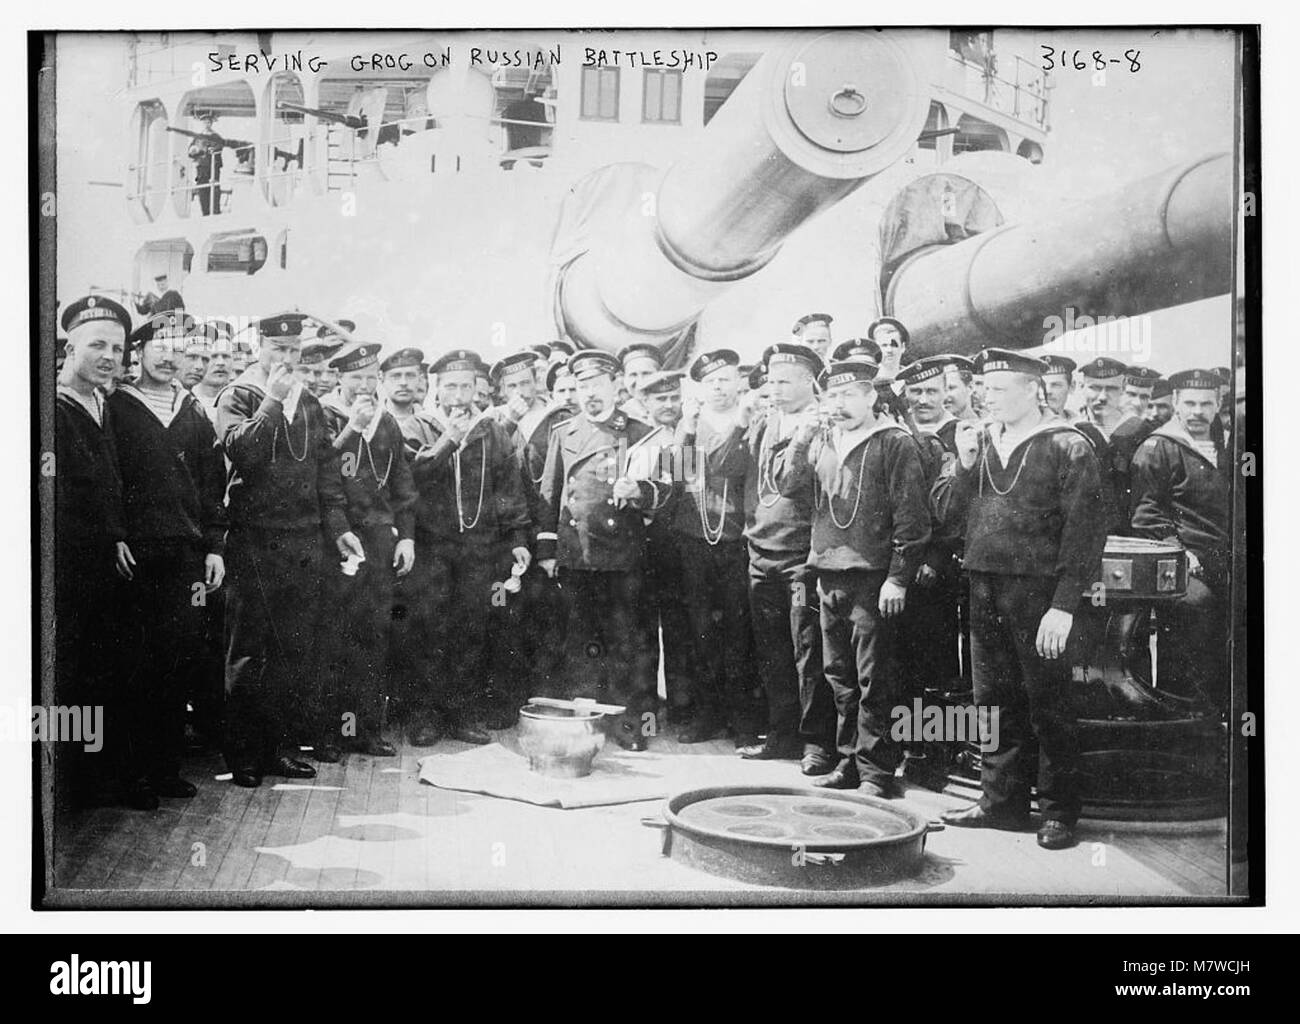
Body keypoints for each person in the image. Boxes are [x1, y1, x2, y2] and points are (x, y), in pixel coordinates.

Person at [935, 349, 1106, 850]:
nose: (988, 398)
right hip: (984, 585)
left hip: (1040, 594)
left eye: (1000, 389)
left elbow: (1085, 532)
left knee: (1048, 702)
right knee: (992, 701)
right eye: (984, 389)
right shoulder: (979, 442)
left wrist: (1064, 605)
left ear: (1033, 390)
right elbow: (947, 515)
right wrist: (964, 464)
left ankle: (1058, 812)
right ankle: (1001, 803)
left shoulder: (1067, 445)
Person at [215, 313, 362, 787]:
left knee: (290, 649)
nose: (287, 358)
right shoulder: (238, 395)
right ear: (260, 348)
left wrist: (338, 528)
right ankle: (243, 755)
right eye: (278, 349)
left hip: (303, 540)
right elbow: (241, 450)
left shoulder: (311, 402)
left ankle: (275, 749)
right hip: (254, 540)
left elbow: (326, 470)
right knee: (248, 651)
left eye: (294, 350)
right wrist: (273, 401)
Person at [777, 359, 930, 796]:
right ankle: (848, 761)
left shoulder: (894, 442)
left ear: (871, 397)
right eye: (833, 396)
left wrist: (898, 578)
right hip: (828, 573)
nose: (839, 404)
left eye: (849, 395)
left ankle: (877, 772)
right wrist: (802, 437)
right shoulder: (823, 437)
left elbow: (912, 520)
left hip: (872, 578)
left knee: (874, 679)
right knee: (839, 676)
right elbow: (790, 488)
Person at [108, 312, 228, 804]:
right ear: (140, 350)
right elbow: (109, 480)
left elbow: (211, 485)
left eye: (179, 348)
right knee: (132, 663)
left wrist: (214, 546)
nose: (169, 356)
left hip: (185, 556)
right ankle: (130, 774)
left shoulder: (193, 411)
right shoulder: (116, 405)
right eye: (160, 345)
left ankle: (164, 767)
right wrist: (117, 536)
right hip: (133, 556)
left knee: (178, 659)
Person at [536, 350, 673, 748]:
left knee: (628, 642)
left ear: (616, 386)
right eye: (583, 386)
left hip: (623, 557)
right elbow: (550, 492)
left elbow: (668, 490)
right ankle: (588, 722)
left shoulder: (641, 432)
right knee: (581, 642)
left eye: (597, 384)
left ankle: (632, 726)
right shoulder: (563, 432)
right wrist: (547, 549)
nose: (590, 393)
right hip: (576, 554)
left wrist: (639, 490)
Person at [400, 349, 531, 745]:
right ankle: (425, 716)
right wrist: (450, 439)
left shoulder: (491, 430)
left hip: (479, 548)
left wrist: (518, 538)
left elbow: (509, 489)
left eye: (465, 387)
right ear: (436, 390)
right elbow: (412, 476)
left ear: (477, 389)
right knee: (429, 629)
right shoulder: (418, 426)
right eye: (450, 387)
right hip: (432, 547)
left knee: (471, 629)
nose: (458, 395)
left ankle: (460, 714)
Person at [316, 342, 418, 758]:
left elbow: (403, 486)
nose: (363, 386)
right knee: (332, 637)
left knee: (372, 636)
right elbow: (321, 470)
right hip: (337, 539)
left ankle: (365, 730)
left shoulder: (387, 421)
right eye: (354, 377)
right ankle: (327, 733)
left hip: (377, 541)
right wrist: (353, 429)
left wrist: (406, 535)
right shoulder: (324, 414)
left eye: (369, 377)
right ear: (339, 378)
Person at [54, 295, 133, 807]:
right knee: (67, 673)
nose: (109, 357)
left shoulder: (103, 403)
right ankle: (65, 784)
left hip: (103, 563)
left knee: (99, 669)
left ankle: (92, 777)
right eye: (97, 345)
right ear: (69, 348)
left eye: (117, 349)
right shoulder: (51, 406)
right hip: (67, 564)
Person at [742, 343, 836, 772]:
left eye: (784, 381)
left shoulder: (823, 424)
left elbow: (796, 482)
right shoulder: (765, 420)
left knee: (807, 650)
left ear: (809, 382)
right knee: (773, 650)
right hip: (762, 553)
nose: (774, 389)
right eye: (771, 381)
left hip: (801, 558)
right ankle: (781, 734)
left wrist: (803, 436)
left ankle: (816, 742)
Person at [672, 349, 760, 748]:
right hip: (695, 538)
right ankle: (707, 716)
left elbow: (735, 470)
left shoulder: (751, 419)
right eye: (710, 382)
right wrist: (688, 430)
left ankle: (743, 721)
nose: (718, 387)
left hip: (737, 539)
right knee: (701, 630)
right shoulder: (690, 423)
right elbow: (675, 475)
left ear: (738, 381)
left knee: (740, 632)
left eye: (725, 379)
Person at [1129, 368, 1231, 710]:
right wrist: (1179, 551)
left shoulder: (1230, 446)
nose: (1197, 411)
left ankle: (1220, 719)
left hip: (1226, 561)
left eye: (1206, 404)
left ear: (1218, 404)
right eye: (1189, 403)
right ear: (1175, 402)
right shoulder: (1158, 446)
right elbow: (1146, 513)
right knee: (1192, 630)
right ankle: (1182, 718)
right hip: (1184, 564)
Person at [634, 370, 696, 724]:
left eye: (674, 398)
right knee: (643, 632)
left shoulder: (690, 432)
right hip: (643, 545)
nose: (669, 404)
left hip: (681, 546)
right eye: (661, 399)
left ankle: (681, 710)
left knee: (679, 629)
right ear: (645, 402)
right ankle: (645, 710)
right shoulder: (637, 437)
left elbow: (683, 486)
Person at [617, 342, 664, 422]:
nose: (640, 381)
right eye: (633, 375)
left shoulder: (676, 410)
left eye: (646, 373)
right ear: (625, 380)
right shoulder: (620, 418)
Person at [188, 112, 224, 216]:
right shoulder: (197, 138)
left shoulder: (216, 136)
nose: (207, 124)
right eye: (205, 122)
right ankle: (205, 212)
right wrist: (193, 151)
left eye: (208, 122)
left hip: (213, 166)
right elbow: (191, 151)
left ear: (211, 123)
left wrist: (212, 150)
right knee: (202, 189)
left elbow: (218, 147)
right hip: (201, 167)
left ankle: (215, 211)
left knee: (214, 188)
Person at [1040, 354, 1078, 420]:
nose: (1048, 391)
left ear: (1071, 387)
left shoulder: (1078, 422)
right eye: (1042, 385)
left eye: (1056, 385)